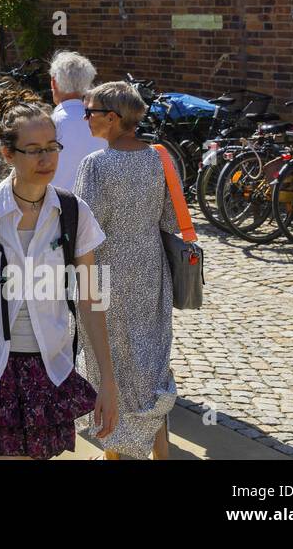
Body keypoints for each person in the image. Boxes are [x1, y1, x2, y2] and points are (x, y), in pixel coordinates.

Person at [0, 103, 119, 459]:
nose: (46, 158)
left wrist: (107, 382)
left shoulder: (75, 213)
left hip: (51, 367)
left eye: (52, 147)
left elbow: (93, 298)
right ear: (7, 153)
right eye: (34, 150)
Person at [74, 81, 180, 460]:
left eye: (91, 112)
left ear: (113, 118)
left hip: (107, 273)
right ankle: (159, 452)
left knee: (111, 364)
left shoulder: (97, 165)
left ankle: (116, 454)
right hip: (152, 270)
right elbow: (170, 219)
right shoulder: (160, 158)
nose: (86, 118)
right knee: (151, 363)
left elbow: (84, 230)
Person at [48, 51, 107, 192]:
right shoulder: (103, 123)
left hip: (58, 205)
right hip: (96, 206)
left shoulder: (50, 124)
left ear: (54, 83)